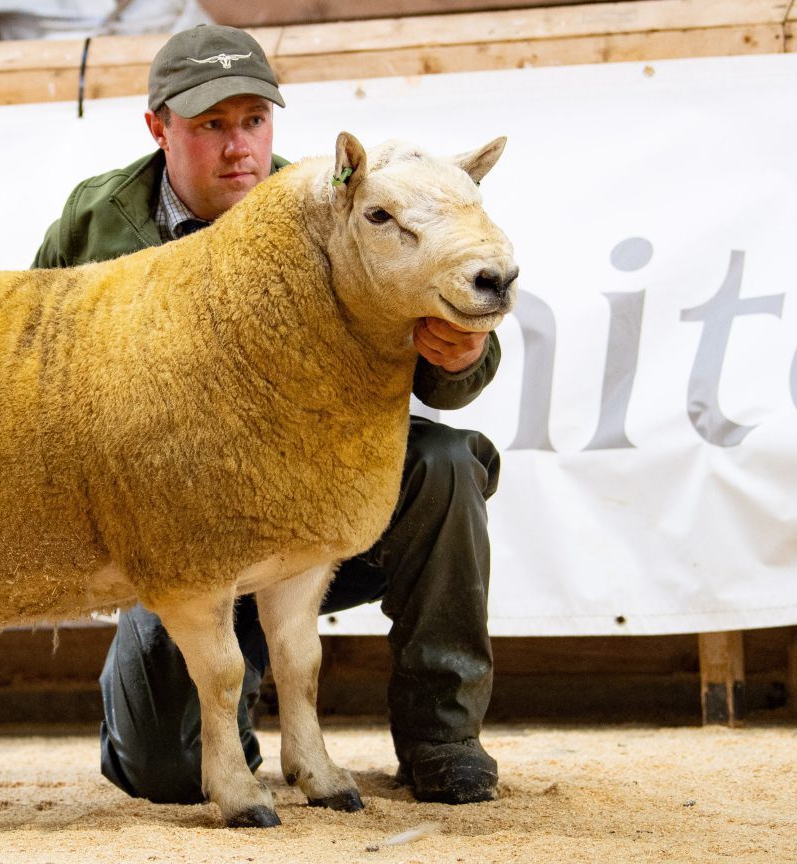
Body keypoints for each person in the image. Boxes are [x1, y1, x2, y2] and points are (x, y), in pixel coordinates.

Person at [32, 23, 503, 806]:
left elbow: (448, 362)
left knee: (446, 465)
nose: (238, 147)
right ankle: (217, 726)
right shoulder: (98, 223)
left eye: (253, 121)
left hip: (320, 498)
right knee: (165, 771)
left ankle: (442, 736)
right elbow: (35, 366)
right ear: (159, 128)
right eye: (211, 125)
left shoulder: (342, 207)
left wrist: (459, 357)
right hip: (178, 518)